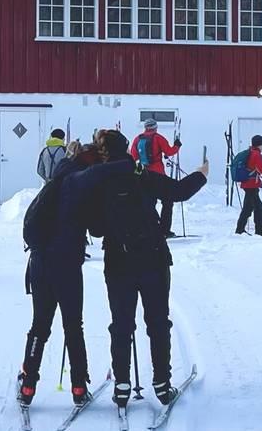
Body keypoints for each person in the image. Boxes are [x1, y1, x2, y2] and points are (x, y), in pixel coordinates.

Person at [83, 130, 207, 412]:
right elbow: (178, 192)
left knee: (121, 325)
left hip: (118, 263)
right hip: (153, 258)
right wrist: (201, 173)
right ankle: (162, 385)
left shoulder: (98, 181)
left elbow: (96, 230)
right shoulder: (141, 174)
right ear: (127, 149)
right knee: (158, 323)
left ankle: (122, 386)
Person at [17, 135, 106, 409]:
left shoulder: (56, 179)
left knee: (39, 326)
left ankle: (28, 384)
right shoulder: (83, 185)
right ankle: (79, 387)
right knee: (73, 326)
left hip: (40, 262)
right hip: (67, 265)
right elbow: (96, 229)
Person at [129, 119, 182, 237]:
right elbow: (169, 151)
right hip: (158, 174)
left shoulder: (137, 139)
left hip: (144, 174)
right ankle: (165, 230)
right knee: (168, 201)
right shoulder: (158, 138)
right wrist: (177, 145)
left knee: (148, 203)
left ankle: (150, 227)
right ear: (155, 127)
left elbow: (133, 156)